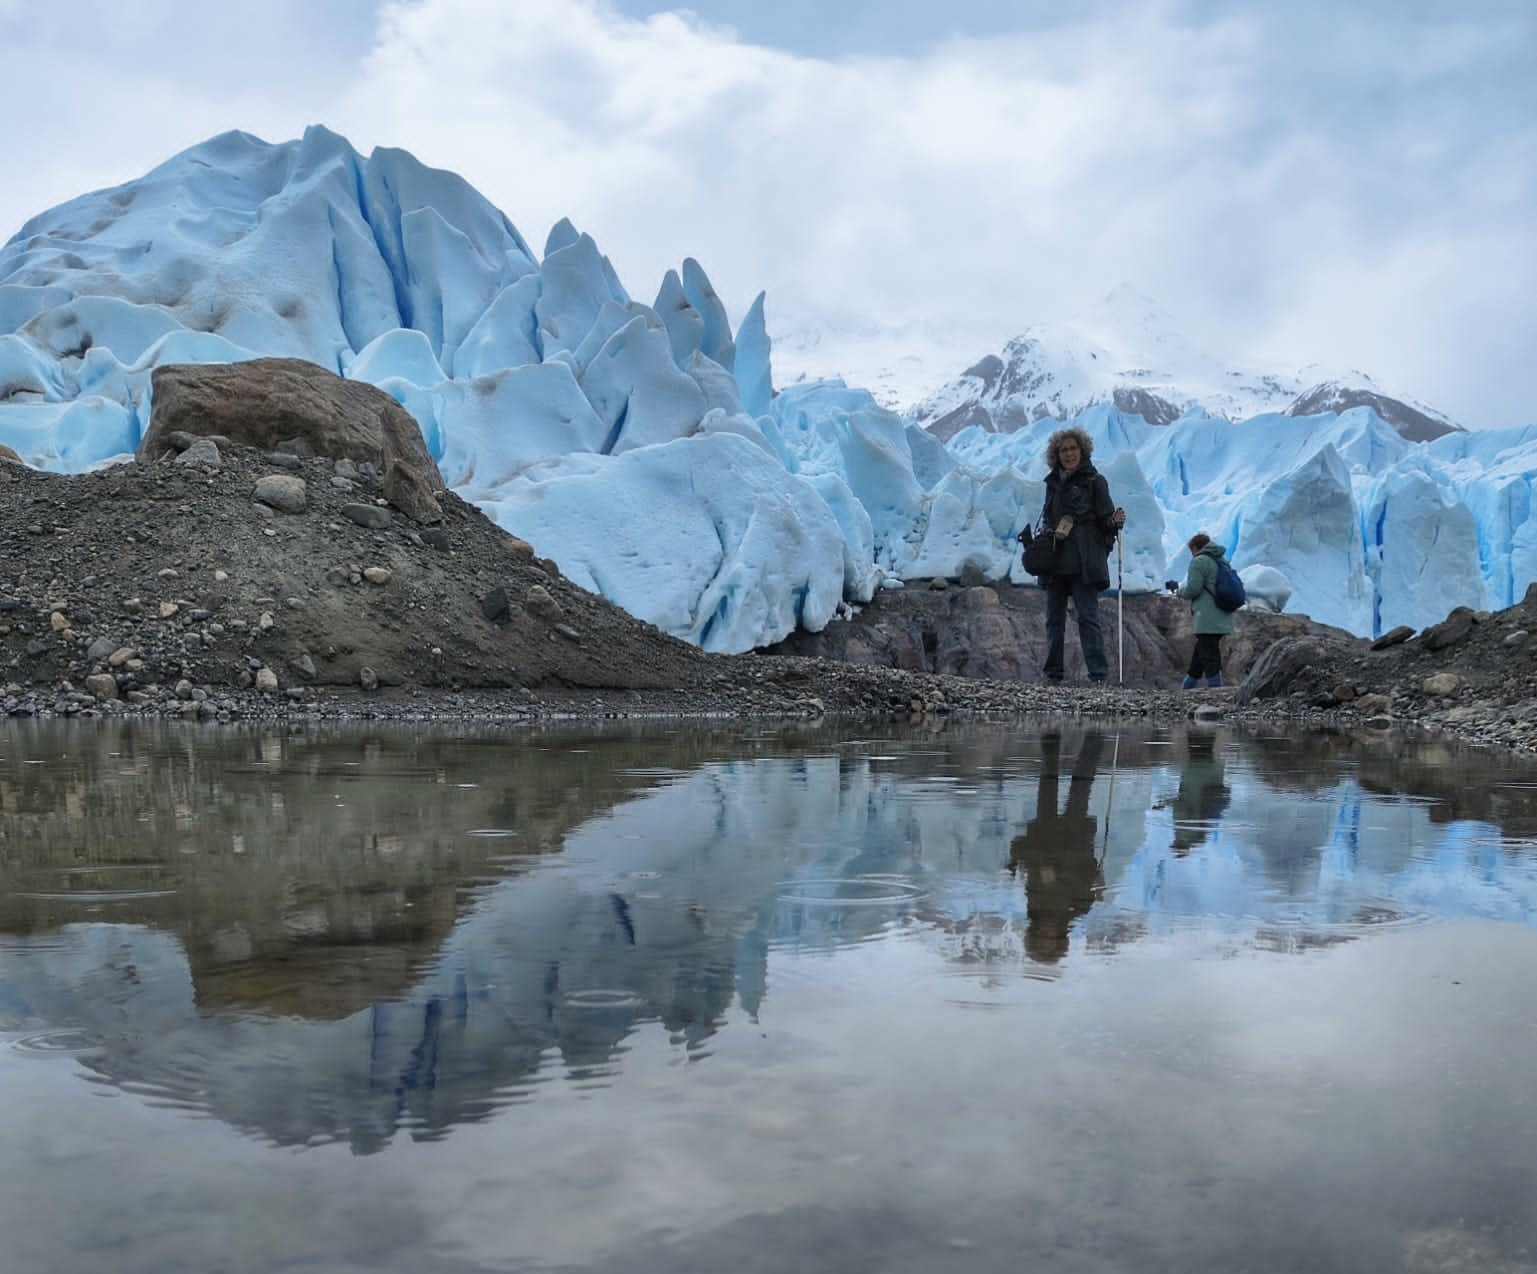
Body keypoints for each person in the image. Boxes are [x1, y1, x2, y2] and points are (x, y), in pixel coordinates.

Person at [1007, 729, 1106, 963]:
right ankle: (1093, 741)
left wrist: (1024, 863)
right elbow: (1089, 874)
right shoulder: (1079, 909)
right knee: (1080, 790)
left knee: (1048, 788)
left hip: (1047, 838)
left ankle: (1052, 744)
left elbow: (1031, 871)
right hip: (1074, 841)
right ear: (1062, 937)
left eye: (1042, 937)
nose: (1047, 933)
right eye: (1051, 938)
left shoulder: (1033, 906)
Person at [1037, 427, 1126, 683]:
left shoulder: (1095, 482)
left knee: (1087, 618)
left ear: (1083, 450)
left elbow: (1105, 519)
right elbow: (1047, 517)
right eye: (1064, 450)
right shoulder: (1052, 483)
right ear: (1057, 454)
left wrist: (1114, 521)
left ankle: (1098, 675)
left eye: (1073, 448)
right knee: (1054, 620)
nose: (1069, 454)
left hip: (1082, 560)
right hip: (1056, 560)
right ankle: (1052, 674)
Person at [1174, 532, 1235, 688]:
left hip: (1207, 615)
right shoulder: (1221, 561)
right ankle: (1186, 686)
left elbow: (1193, 589)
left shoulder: (1199, 561)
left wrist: (1178, 591)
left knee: (1208, 652)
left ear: (1195, 547)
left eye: (1191, 551)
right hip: (1223, 612)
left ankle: (1216, 688)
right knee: (1202, 649)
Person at [1170, 730, 1229, 855]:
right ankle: (1205, 730)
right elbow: (1180, 807)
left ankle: (1203, 731)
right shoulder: (1190, 831)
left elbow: (1181, 807)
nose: (1174, 841)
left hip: (1205, 773)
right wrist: (1166, 803)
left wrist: (1165, 803)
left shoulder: (1199, 832)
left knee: (1203, 745)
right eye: (1176, 844)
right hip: (1198, 773)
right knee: (1203, 738)